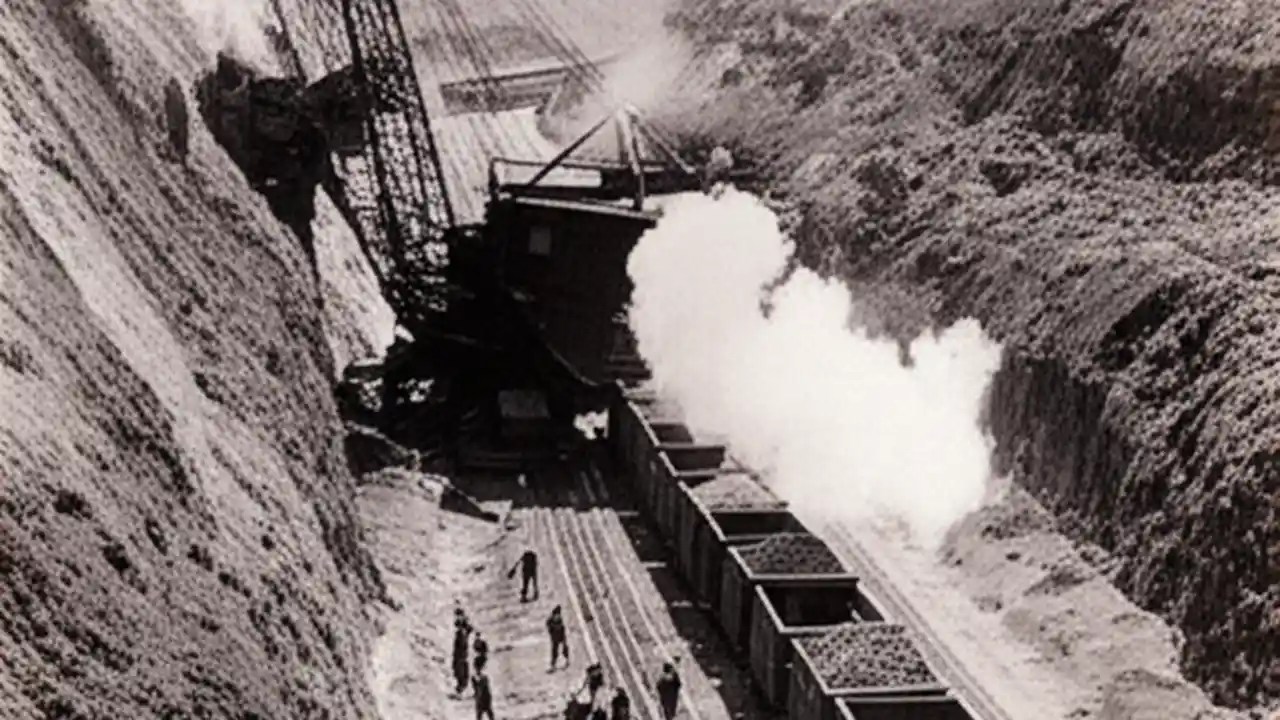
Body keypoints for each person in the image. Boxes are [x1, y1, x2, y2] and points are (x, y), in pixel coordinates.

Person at [547, 605, 569, 670]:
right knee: (554, 651)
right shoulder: (550, 620)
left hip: (560, 637)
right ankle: (553, 663)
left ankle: (566, 660)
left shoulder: (559, 620)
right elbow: (549, 628)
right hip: (555, 638)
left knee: (564, 649)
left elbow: (562, 629)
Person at [452, 622, 470, 696]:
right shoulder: (461, 634)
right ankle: (460, 692)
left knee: (462, 675)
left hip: (461, 657)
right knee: (461, 675)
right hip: (461, 657)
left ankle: (460, 692)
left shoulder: (461, 634)